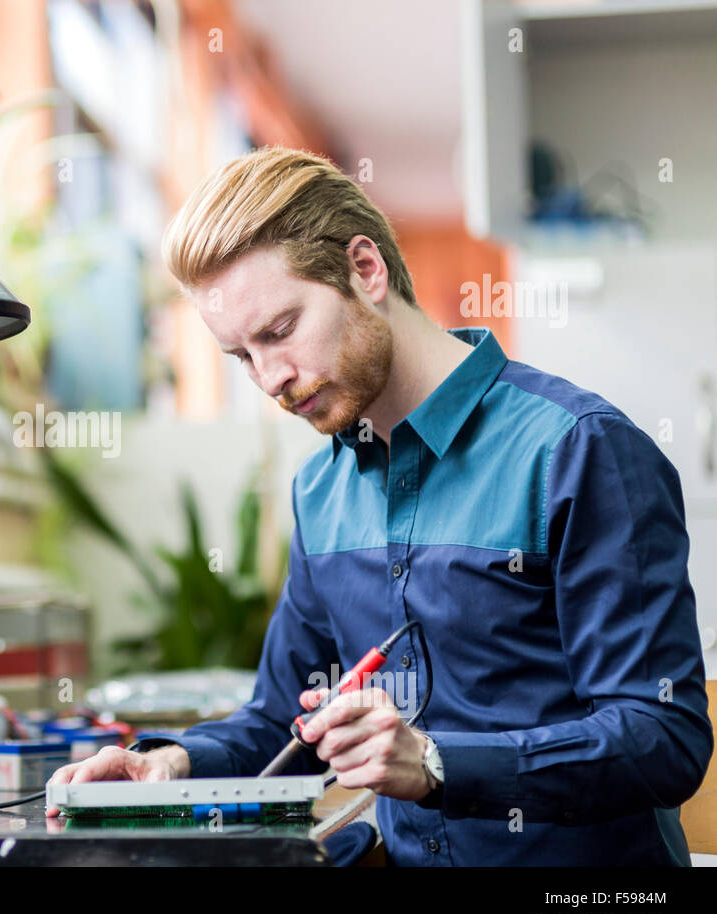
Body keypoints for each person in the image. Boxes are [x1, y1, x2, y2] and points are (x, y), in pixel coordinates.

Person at [45, 146, 713, 866]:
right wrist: (173, 765)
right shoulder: (320, 493)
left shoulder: (578, 451)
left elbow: (662, 737)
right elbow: (282, 721)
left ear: (366, 271)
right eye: (242, 356)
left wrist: (435, 763)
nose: (271, 378)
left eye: (279, 331)